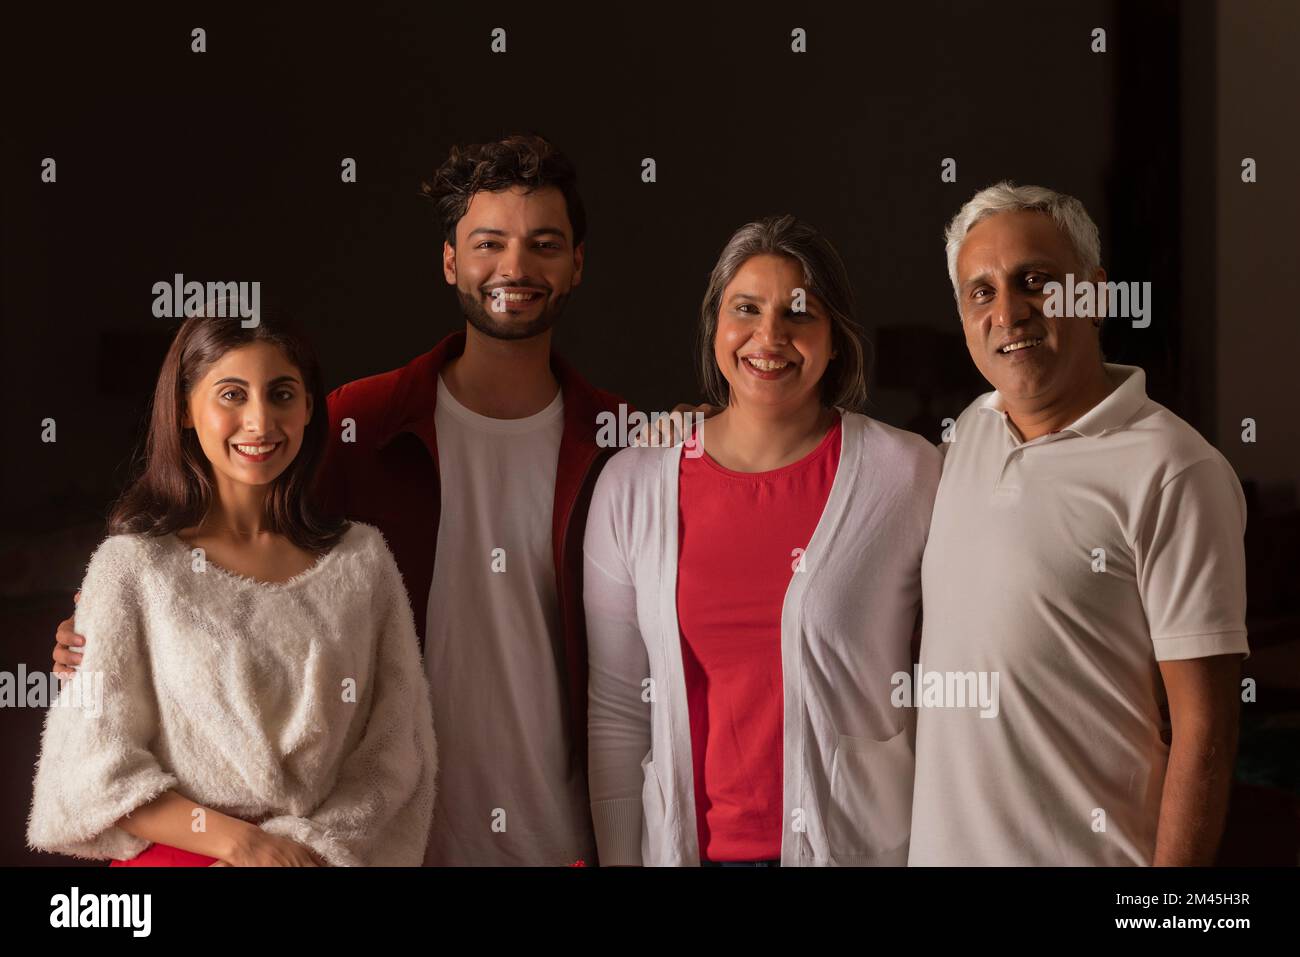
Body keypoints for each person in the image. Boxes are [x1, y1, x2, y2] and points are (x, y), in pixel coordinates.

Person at [583, 215, 941, 866]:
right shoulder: (633, 486)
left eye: (799, 314)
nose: (769, 337)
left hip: (860, 851)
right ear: (716, 328)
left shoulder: (907, 474)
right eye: (745, 309)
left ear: (834, 340)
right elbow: (616, 709)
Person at [909, 182, 1248, 866]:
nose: (1008, 311)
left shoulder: (1175, 469)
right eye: (982, 290)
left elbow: (1204, 731)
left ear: (1093, 293)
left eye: (1034, 280)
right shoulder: (962, 438)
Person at [28, 309, 437, 866]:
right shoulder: (133, 567)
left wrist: (303, 851)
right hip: (182, 856)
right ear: (185, 410)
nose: (260, 421)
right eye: (231, 395)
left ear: (310, 406)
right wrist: (244, 846)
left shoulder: (363, 562)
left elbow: (397, 753)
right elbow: (90, 767)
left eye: (282, 394)